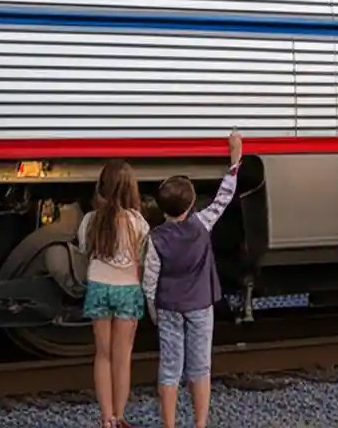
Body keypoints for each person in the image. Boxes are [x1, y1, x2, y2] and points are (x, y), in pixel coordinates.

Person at [142, 129, 243, 428]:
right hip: (200, 304)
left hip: (169, 306)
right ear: (190, 205)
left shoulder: (155, 238)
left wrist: (153, 309)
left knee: (170, 368)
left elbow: (150, 279)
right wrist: (235, 160)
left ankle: (169, 425)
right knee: (200, 367)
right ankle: (200, 424)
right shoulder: (202, 222)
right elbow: (225, 196)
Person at [77, 159, 151, 428]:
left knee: (103, 354)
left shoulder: (89, 221)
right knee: (123, 356)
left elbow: (85, 252)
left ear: (102, 187)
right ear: (131, 188)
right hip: (127, 290)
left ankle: (105, 418)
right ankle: (119, 417)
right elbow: (142, 262)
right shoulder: (138, 223)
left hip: (98, 288)